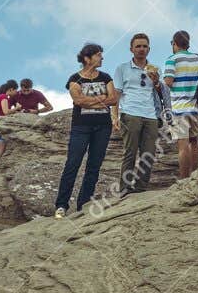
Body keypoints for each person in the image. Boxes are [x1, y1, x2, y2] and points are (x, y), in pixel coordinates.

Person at [54, 44, 115, 218]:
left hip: (103, 127)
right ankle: (61, 205)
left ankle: (83, 204)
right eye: (98, 55)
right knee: (72, 164)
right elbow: (78, 101)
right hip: (81, 127)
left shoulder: (106, 77)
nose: (102, 58)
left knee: (94, 166)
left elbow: (113, 99)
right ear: (87, 58)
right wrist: (101, 98)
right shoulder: (74, 79)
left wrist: (91, 100)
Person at [112, 34, 163, 196]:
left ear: (149, 49)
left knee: (149, 154)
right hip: (130, 113)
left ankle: (140, 188)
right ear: (131, 49)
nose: (141, 49)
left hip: (151, 115)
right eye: (138, 46)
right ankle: (124, 189)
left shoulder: (155, 69)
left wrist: (156, 82)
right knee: (130, 152)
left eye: (144, 46)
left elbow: (160, 94)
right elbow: (116, 95)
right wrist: (115, 116)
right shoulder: (122, 68)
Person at [162, 30, 198, 179]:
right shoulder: (197, 59)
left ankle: (184, 179)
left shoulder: (172, 59)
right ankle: (194, 177)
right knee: (194, 142)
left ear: (174, 43)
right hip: (195, 107)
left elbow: (168, 82)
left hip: (179, 108)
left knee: (183, 144)